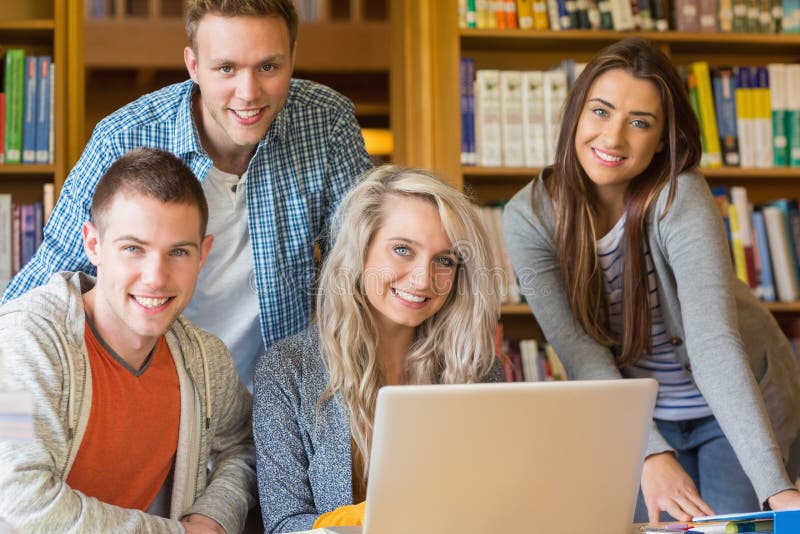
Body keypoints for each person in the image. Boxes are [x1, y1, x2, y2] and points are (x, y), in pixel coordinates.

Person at [2, 0, 372, 390]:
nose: (248, 93)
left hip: (281, 403)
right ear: (193, 65)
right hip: (154, 397)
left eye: (268, 66)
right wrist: (12, 429)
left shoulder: (326, 122)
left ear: (293, 58)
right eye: (226, 68)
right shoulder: (123, 139)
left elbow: (363, 264)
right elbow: (43, 292)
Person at [503, 37, 800, 523]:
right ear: (575, 113)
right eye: (600, 112)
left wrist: (777, 489)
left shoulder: (679, 194)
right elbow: (581, 354)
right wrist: (649, 452)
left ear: (663, 138)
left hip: (735, 409)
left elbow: (713, 342)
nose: (613, 138)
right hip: (639, 415)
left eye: (639, 123)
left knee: (733, 527)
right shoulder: (528, 218)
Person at [0, 148, 255, 533]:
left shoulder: (204, 359)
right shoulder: (25, 343)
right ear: (93, 245)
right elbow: (17, 499)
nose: (155, 277)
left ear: (203, 255)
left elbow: (245, 445)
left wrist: (213, 517)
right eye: (133, 248)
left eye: (179, 252)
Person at [252, 165, 505, 533]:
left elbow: (498, 503)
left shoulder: (479, 370)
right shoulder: (286, 370)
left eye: (444, 260)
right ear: (360, 249)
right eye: (403, 249)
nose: (423, 279)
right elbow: (285, 525)